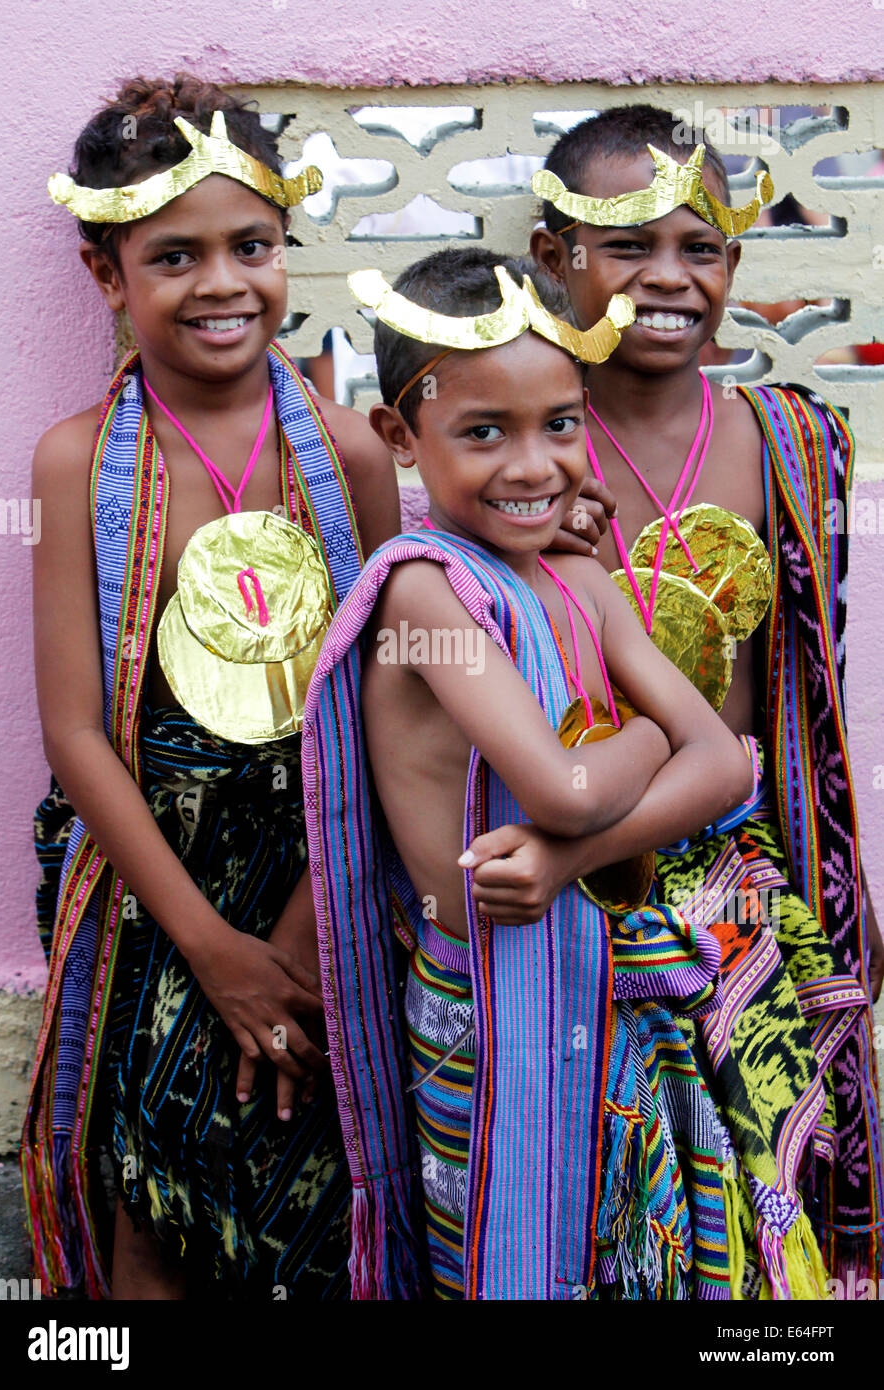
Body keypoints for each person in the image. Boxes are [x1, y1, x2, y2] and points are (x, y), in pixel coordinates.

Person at [302, 246, 762, 1299]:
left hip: (600, 991)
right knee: (505, 1261)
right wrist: (652, 734)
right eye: (481, 432)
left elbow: (726, 766)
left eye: (559, 424)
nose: (532, 465)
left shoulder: (582, 581)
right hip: (479, 1009)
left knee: (618, 1260)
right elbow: (564, 786)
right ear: (399, 437)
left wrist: (573, 857)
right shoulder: (428, 595)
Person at [23, 73, 400, 1301]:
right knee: (155, 1194)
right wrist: (215, 951)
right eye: (174, 256)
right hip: (157, 897)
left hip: (325, 884)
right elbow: (78, 733)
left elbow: (394, 705)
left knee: (315, 1176)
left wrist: (294, 939)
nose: (224, 283)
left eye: (253, 245)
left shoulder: (345, 454)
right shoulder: (80, 461)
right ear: (107, 276)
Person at [529, 104, 883, 1294]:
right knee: (620, 1218)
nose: (671, 278)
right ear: (553, 260)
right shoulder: (518, 461)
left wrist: (837, 895)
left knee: (772, 1210)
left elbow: (803, 700)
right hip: (580, 890)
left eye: (705, 246)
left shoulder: (791, 442)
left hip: (753, 893)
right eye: (629, 247)